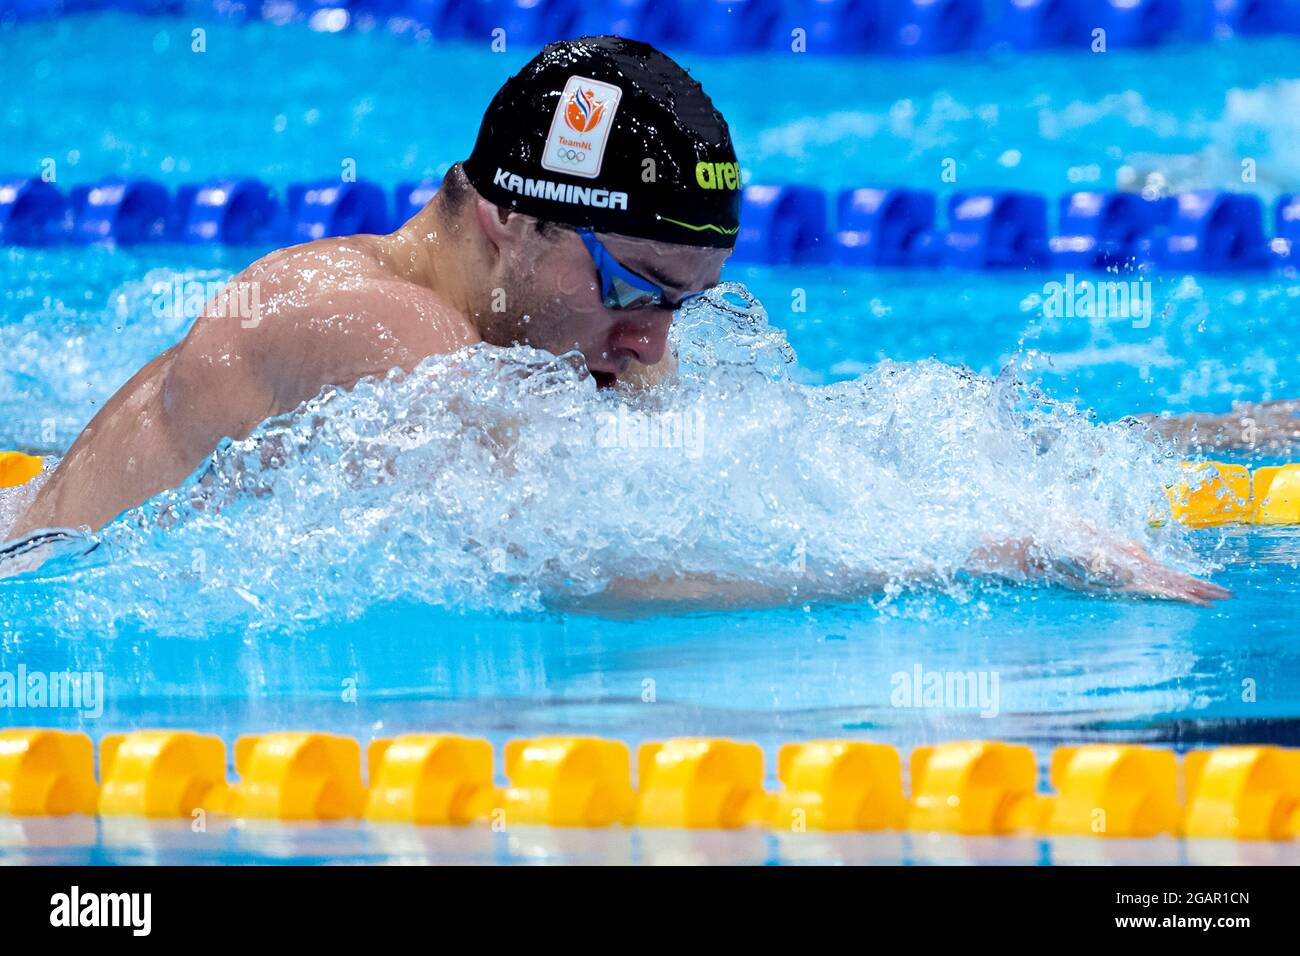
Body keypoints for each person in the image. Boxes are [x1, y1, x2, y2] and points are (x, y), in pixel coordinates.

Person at [4, 36, 1230, 605]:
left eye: (680, 304)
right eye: (632, 286)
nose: (652, 342)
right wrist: (969, 546)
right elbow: (570, 561)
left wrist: (1185, 440)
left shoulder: (565, 332)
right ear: (508, 220)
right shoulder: (359, 320)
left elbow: (789, 459)